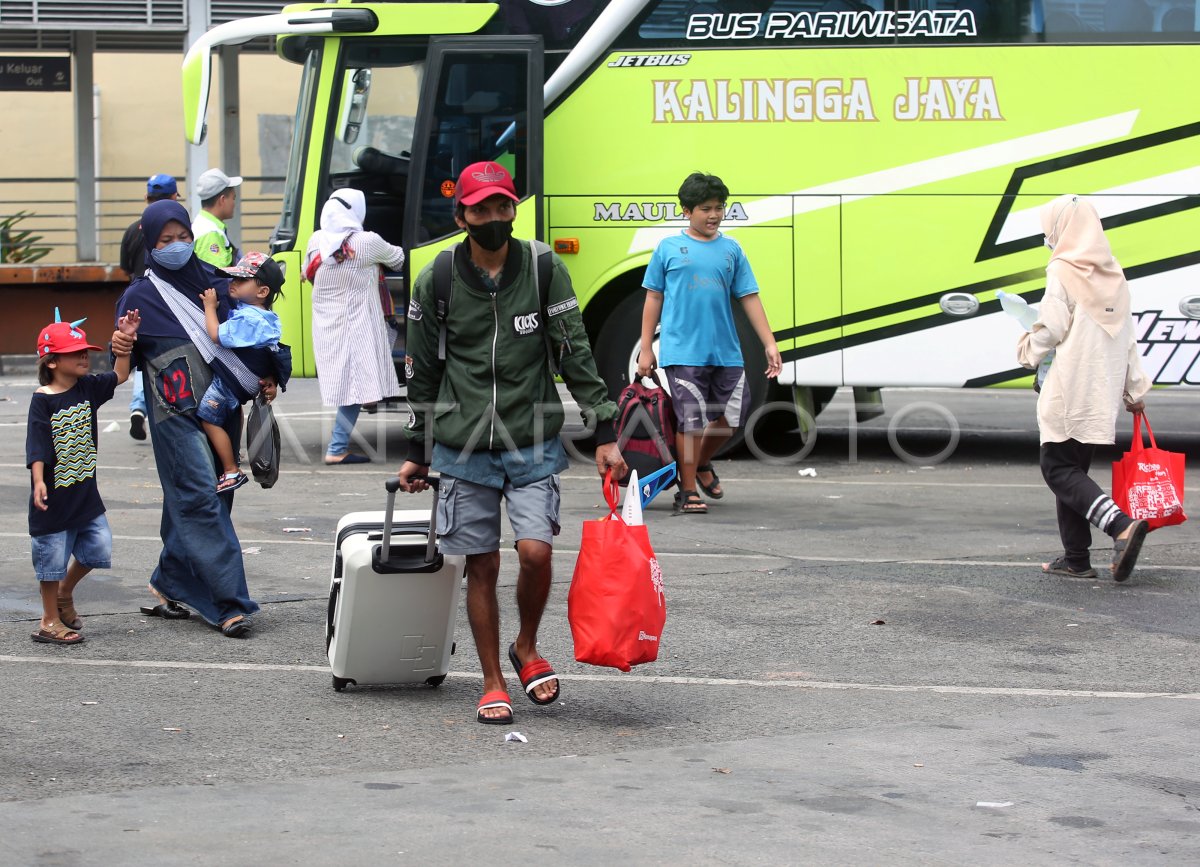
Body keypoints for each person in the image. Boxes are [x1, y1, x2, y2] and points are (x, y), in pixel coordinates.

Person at [396, 161, 627, 725]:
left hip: (531, 439)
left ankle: (526, 645)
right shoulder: (438, 279)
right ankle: (493, 679)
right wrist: (419, 449)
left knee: (535, 551)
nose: (493, 218)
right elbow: (422, 370)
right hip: (463, 445)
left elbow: (575, 350)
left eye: (502, 207)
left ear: (514, 209)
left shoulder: (545, 268)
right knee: (480, 566)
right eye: (480, 210)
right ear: (462, 216)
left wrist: (603, 431)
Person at [115, 199, 273, 638]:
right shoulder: (138, 298)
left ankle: (171, 578)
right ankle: (227, 603)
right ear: (149, 243)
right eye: (166, 240)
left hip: (222, 408)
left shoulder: (217, 283)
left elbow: (255, 331)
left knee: (208, 499)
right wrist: (124, 344)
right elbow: (119, 371)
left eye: (183, 236)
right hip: (173, 417)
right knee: (201, 497)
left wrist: (270, 374)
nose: (178, 245)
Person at [1018, 194, 1152, 582]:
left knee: (1057, 467)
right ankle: (1076, 558)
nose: (1047, 236)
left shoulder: (1062, 268)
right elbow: (1128, 338)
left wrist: (1027, 349)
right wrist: (1134, 391)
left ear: (1062, 228)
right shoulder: (1114, 272)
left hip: (1069, 385)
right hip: (1102, 390)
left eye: (1049, 229)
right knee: (1074, 468)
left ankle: (1121, 527)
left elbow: (1053, 326)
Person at [636, 172, 782, 515]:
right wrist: (646, 347)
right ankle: (686, 491)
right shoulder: (668, 249)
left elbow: (749, 296)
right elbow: (653, 298)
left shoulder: (731, 250)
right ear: (687, 210)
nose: (714, 215)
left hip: (726, 351)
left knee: (731, 418)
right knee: (692, 421)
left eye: (719, 208)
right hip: (683, 351)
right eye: (706, 208)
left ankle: (699, 464)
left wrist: (769, 342)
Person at [27, 308, 140, 644]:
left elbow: (120, 374)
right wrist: (38, 480)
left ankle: (65, 592)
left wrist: (126, 342)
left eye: (84, 352)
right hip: (53, 499)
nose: (83, 358)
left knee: (98, 548)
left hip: (85, 495)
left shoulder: (87, 388)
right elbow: (37, 444)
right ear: (51, 362)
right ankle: (48, 620)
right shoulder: (42, 401)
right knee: (51, 560)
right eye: (74, 354)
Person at [304, 188, 404, 464]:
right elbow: (399, 258)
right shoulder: (366, 241)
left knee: (349, 381)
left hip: (326, 325)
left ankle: (342, 438)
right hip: (355, 324)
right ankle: (336, 449)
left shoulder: (316, 241)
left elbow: (307, 272)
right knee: (354, 383)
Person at [199, 252, 287, 492]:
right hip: (248, 381)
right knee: (231, 409)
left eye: (241, 280)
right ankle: (234, 455)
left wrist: (209, 307)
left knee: (207, 418)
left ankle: (230, 469)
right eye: (233, 278)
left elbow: (216, 335)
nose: (233, 283)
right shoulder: (264, 316)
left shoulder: (248, 319)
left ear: (262, 292)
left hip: (233, 380)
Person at [120, 172, 180, 441]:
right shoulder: (176, 231)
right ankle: (163, 409)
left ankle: (138, 407)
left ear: (146, 197)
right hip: (166, 302)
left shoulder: (133, 230)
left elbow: (124, 268)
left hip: (137, 302)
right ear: (175, 198)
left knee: (142, 357)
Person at [191, 168, 242, 269]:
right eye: (233, 198)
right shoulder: (210, 233)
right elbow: (218, 278)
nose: (234, 204)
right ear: (222, 200)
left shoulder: (204, 226)